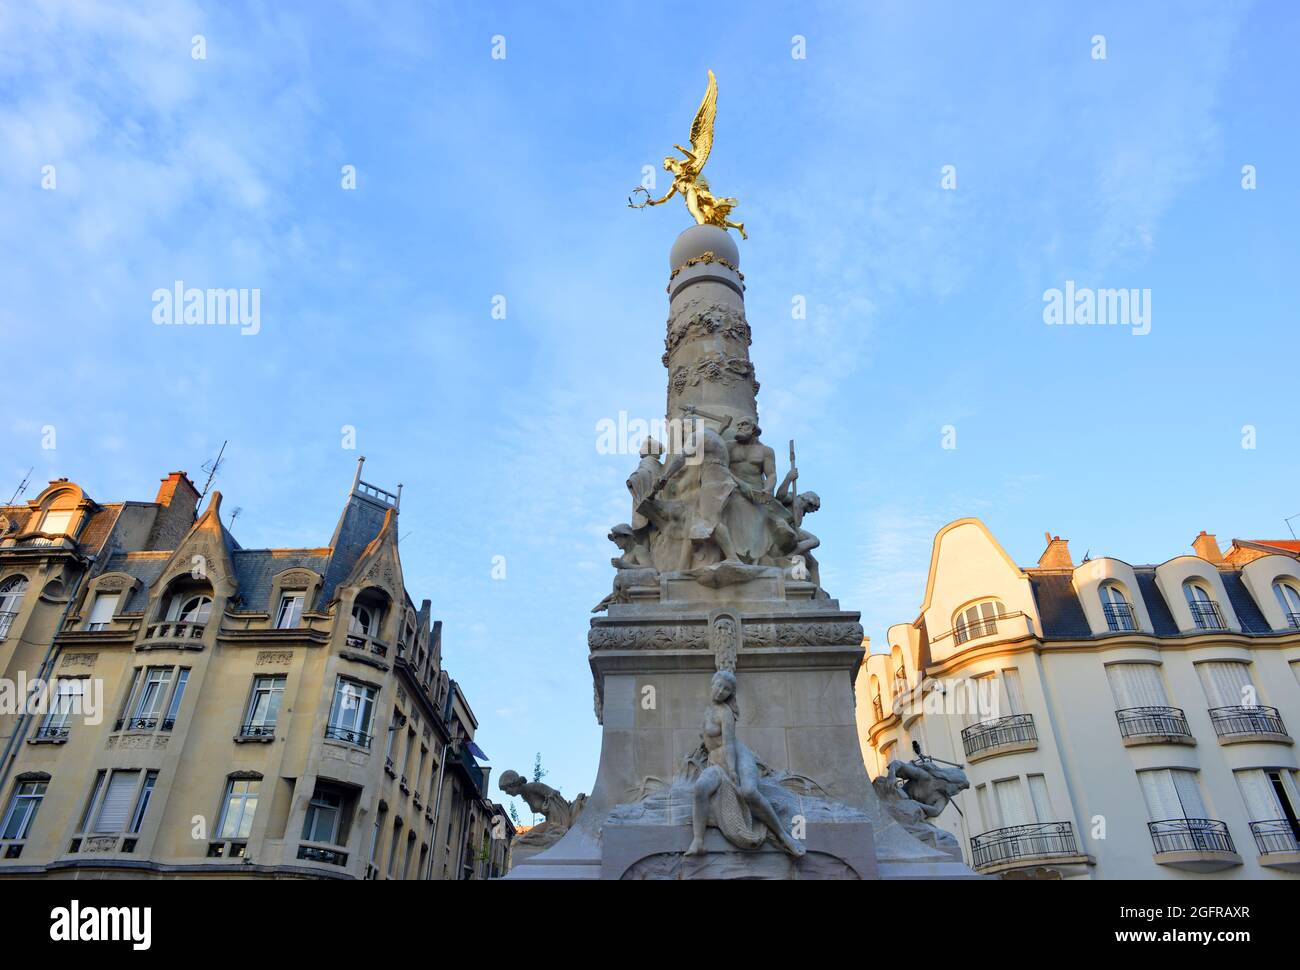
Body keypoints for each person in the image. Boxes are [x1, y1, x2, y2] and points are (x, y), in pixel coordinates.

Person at [685, 670, 805, 857]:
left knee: (749, 792)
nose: (720, 691)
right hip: (715, 763)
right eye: (719, 686)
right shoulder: (707, 711)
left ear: (730, 694)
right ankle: (698, 841)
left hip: (739, 759)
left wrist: (732, 770)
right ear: (712, 684)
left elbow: (730, 744)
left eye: (726, 689)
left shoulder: (726, 714)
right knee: (700, 788)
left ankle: (784, 836)